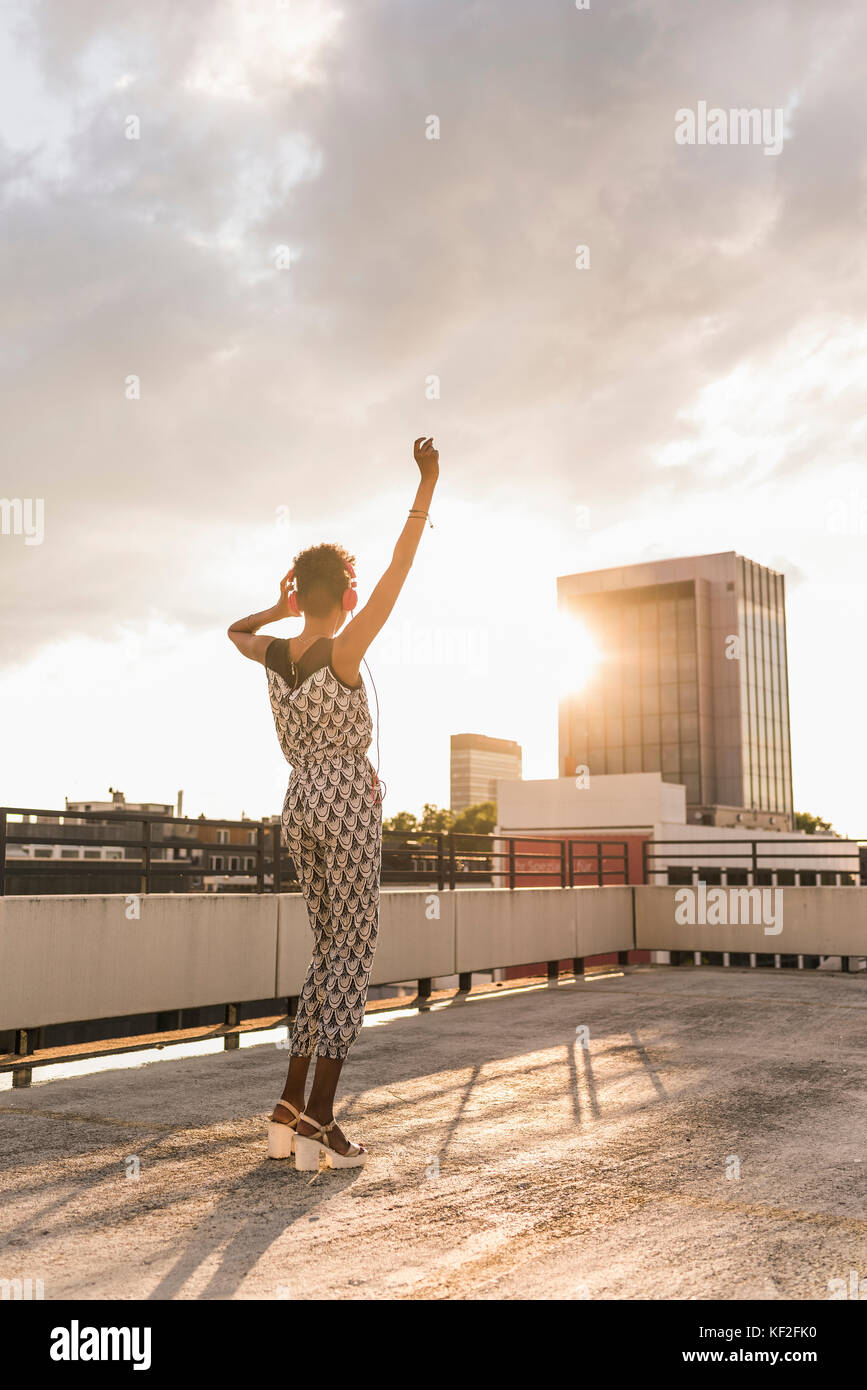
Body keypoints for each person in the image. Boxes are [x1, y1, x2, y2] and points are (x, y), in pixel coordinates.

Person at [227, 436, 439, 1169]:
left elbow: (236, 632)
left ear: (297, 594)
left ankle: (289, 1104)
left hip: (298, 799)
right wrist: (427, 483)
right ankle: (319, 1118)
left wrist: (276, 606)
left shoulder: (276, 654)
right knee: (353, 952)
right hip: (346, 796)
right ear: (344, 597)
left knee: (327, 951)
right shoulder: (344, 653)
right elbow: (400, 569)